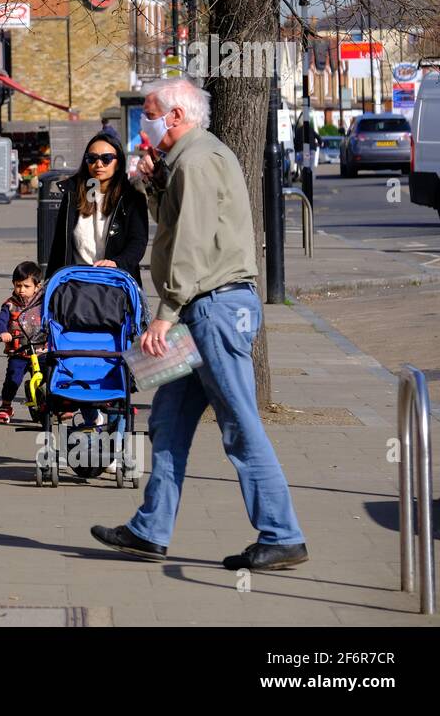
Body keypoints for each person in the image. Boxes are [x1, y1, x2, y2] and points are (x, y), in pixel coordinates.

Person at [90, 78, 308, 571]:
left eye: (149, 112)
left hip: (212, 309)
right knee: (168, 420)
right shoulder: (184, 161)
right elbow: (177, 217)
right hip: (201, 309)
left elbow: (189, 243)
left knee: (239, 425)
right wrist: (153, 182)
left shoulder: (199, 159)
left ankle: (282, 533)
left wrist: (164, 316)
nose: (142, 122)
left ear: (174, 116)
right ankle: (150, 529)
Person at [46, 130, 149, 287]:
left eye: (106, 159)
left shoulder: (132, 197)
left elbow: (138, 242)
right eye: (92, 158)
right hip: (74, 282)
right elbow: (59, 246)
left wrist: (116, 263)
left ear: (119, 162)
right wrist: (49, 284)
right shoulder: (71, 194)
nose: (98, 164)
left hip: (115, 281)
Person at [0, 261, 45, 424]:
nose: (21, 290)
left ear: (37, 286)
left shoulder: (45, 303)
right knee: (12, 379)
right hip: (19, 352)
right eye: (18, 285)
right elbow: (0, 320)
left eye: (26, 286)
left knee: (49, 378)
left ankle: (53, 406)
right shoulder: (10, 304)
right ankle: (6, 406)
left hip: (42, 350)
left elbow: (55, 320)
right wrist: (3, 332)